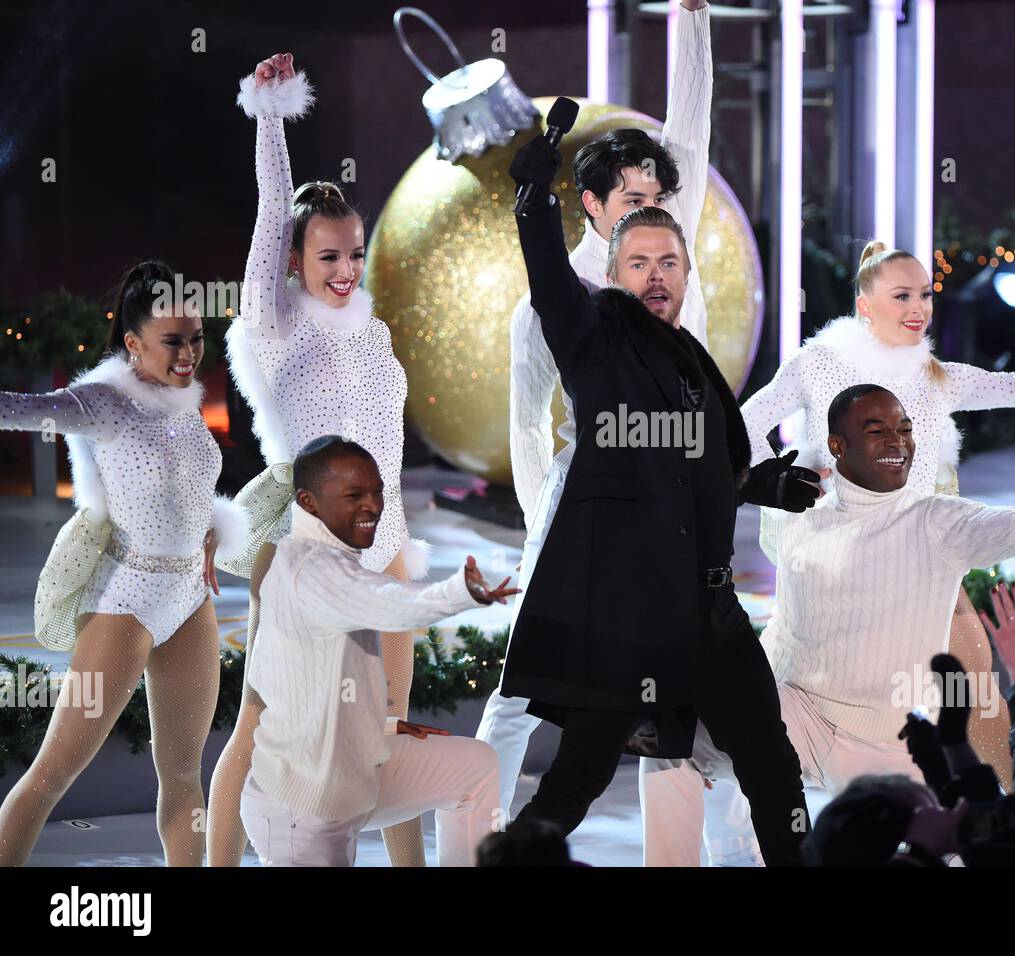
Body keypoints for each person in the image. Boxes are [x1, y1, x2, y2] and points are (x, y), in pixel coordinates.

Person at [643, 383, 1015, 864]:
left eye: (904, 429)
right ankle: (736, 858)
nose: (897, 441)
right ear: (837, 446)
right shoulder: (795, 510)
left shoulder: (938, 520)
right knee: (674, 743)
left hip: (891, 741)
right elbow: (696, 492)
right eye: (877, 429)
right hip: (794, 711)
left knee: (965, 855)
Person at [476, 0, 756, 866]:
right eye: (633, 196)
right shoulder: (555, 301)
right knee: (526, 691)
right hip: (587, 498)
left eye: (659, 194)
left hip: (683, 495)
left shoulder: (674, 253)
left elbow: (692, 127)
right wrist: (537, 529)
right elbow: (528, 421)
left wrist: (694, 18)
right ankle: (479, 839)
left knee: (694, 690)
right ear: (592, 206)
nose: (654, 207)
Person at [737, 240, 1015, 788]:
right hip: (838, 561)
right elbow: (744, 423)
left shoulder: (937, 376)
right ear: (865, 305)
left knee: (975, 687)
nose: (918, 308)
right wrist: (781, 480)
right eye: (901, 296)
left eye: (924, 294)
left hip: (919, 555)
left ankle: (994, 832)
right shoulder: (816, 366)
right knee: (786, 702)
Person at [501, 131, 821, 866]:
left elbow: (690, 472)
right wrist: (532, 202)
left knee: (773, 766)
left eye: (667, 263)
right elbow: (551, 279)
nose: (655, 275)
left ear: (685, 274)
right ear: (613, 275)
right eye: (638, 262)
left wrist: (760, 485)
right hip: (627, 618)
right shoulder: (597, 337)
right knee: (577, 777)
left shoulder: (691, 360)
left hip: (710, 613)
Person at [208, 52, 431, 866]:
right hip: (306, 558)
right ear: (295, 261)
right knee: (263, 725)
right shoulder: (274, 329)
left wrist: (394, 545)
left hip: (387, 546)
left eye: (355, 254)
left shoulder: (371, 334)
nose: (345, 270)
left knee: (393, 730)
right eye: (328, 255)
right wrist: (270, 111)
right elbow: (274, 207)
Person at [0, 261, 248, 866]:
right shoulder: (103, 403)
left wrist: (210, 527)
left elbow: (183, 489)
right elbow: (17, 407)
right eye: (172, 341)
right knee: (48, 781)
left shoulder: (184, 400)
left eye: (195, 337)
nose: (190, 352)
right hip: (124, 603)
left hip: (189, 598)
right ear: (133, 343)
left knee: (185, 781)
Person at [239, 436, 513, 867]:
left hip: (356, 774)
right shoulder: (313, 571)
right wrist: (463, 591)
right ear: (308, 503)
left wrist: (376, 724)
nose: (372, 506)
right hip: (304, 809)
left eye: (376, 491)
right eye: (353, 495)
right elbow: (392, 601)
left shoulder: (330, 558)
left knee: (475, 767)